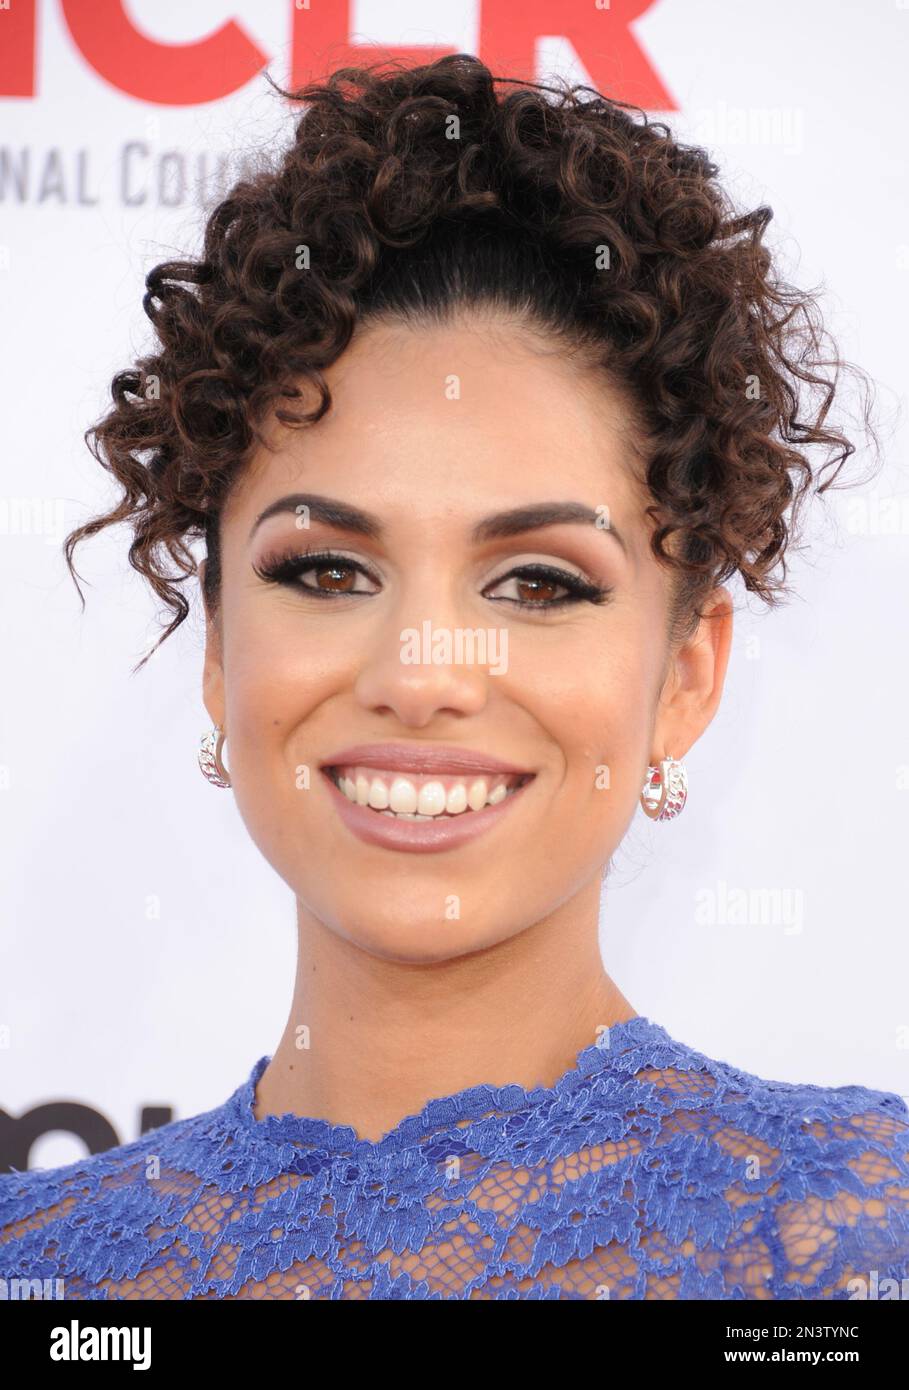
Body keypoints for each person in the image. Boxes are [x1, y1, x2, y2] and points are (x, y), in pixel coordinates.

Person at [2, 54, 906, 1301]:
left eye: (538, 582)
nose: (422, 674)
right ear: (216, 653)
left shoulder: (854, 1242)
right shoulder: (35, 1273)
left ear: (687, 679)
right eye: (326, 571)